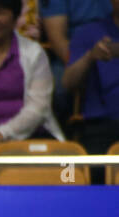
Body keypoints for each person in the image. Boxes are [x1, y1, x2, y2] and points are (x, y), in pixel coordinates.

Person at [0, 0, 64, 154]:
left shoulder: (34, 52)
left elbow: (38, 109)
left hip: (32, 135)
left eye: (1, 12)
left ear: (15, 17)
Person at [60, 0, 119, 154]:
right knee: (86, 172)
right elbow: (68, 82)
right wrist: (90, 57)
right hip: (101, 126)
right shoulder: (88, 33)